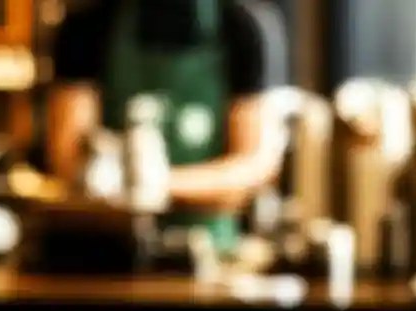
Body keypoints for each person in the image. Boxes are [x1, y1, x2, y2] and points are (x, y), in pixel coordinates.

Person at [46, 0, 288, 256]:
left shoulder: (244, 25)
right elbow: (67, 157)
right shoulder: (85, 27)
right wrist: (102, 179)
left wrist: (156, 185)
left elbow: (254, 163)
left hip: (210, 251)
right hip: (106, 253)